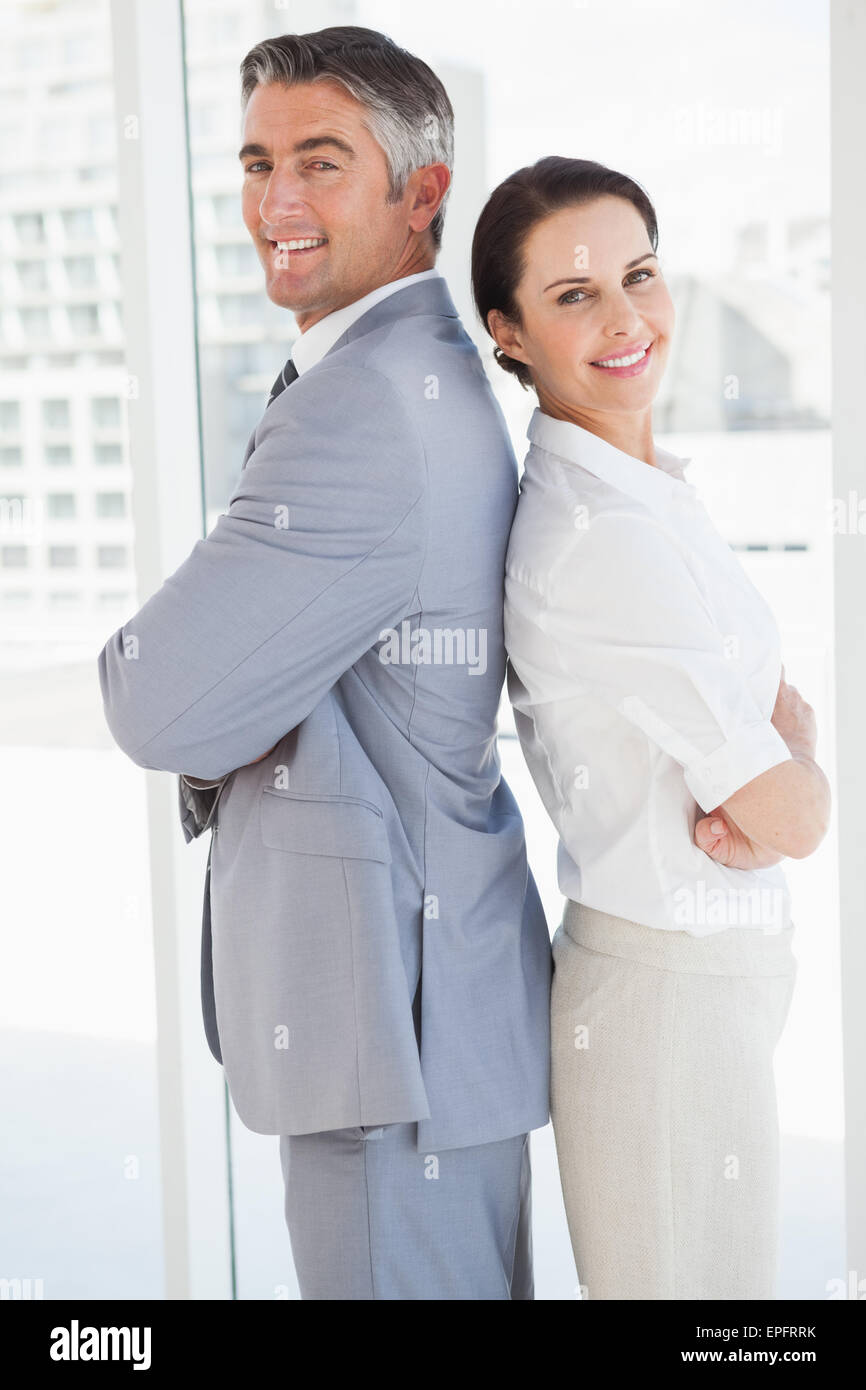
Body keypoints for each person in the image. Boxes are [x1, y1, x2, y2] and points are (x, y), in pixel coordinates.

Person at [97, 27, 551, 1301]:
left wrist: (221, 714)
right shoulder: (406, 373)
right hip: (429, 1019)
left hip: (386, 1037)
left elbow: (155, 696)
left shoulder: (365, 406)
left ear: (423, 192)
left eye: (318, 161)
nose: (274, 203)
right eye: (254, 162)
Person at [472, 156, 831, 1299]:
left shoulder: (646, 490)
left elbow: (765, 795)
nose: (626, 317)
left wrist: (776, 765)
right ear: (508, 332)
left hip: (701, 982)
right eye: (573, 294)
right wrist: (796, 758)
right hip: (663, 999)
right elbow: (789, 812)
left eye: (637, 272)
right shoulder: (601, 538)